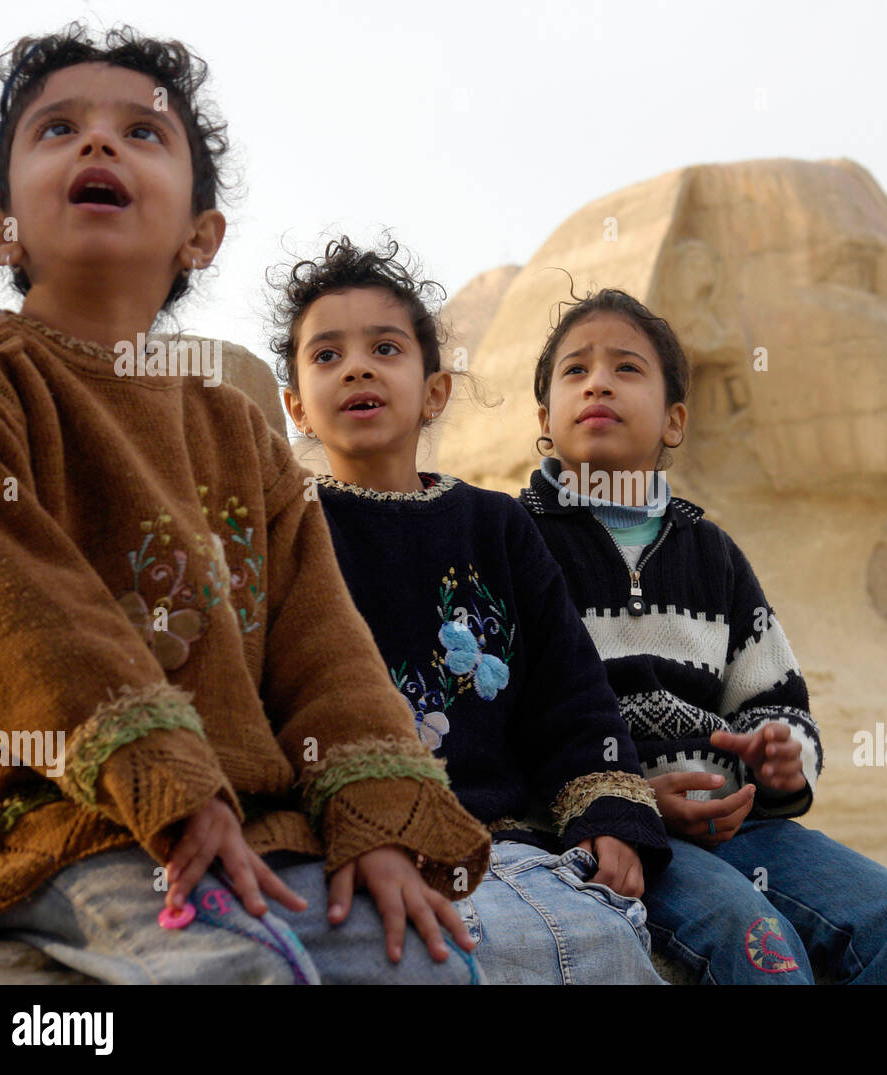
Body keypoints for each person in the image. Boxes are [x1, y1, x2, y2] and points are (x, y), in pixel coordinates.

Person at [0, 24, 489, 985]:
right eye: (59, 129)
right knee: (240, 973)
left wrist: (370, 809)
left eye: (142, 132)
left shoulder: (237, 432)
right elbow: (14, 603)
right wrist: (165, 774)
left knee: (428, 962)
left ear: (200, 235)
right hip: (58, 816)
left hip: (252, 821)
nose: (99, 144)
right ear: (1, 226)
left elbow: (321, 639)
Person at [519, 287, 887, 984]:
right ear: (545, 418)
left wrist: (782, 758)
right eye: (576, 371)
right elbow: (510, 719)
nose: (598, 381)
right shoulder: (517, 543)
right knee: (757, 944)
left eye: (627, 368)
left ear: (675, 419)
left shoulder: (712, 553)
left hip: (744, 828)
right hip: (622, 836)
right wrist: (624, 803)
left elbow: (775, 697)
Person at [275, 237, 670, 984]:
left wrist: (611, 816)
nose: (356, 367)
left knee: (606, 947)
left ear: (434, 391)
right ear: (295, 405)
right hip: (354, 839)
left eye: (385, 348)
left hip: (507, 843)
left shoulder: (495, 526)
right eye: (326, 356)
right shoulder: (290, 529)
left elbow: (569, 692)